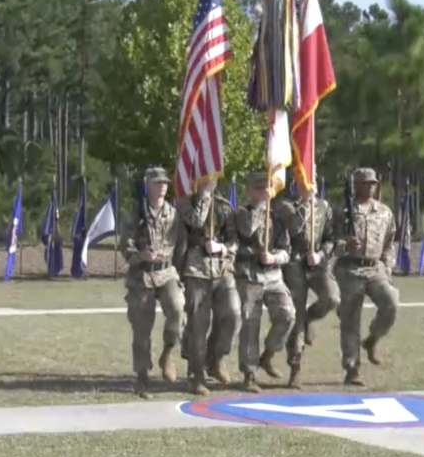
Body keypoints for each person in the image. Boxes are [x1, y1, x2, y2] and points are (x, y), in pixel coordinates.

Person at [119, 167, 187, 399]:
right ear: (147, 184)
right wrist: (140, 256)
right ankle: (142, 378)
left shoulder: (174, 214)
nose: (162, 187)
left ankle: (168, 352)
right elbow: (125, 246)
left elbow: (181, 246)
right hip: (142, 274)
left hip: (167, 272)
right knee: (141, 328)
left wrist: (179, 272)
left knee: (177, 309)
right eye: (157, 183)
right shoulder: (135, 213)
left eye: (165, 183)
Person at [176, 176, 241, 396]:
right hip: (196, 270)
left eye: (212, 179)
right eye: (205, 178)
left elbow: (234, 240)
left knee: (232, 314)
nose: (209, 181)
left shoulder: (224, 206)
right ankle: (196, 374)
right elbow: (195, 222)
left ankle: (216, 358)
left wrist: (222, 248)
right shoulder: (185, 204)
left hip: (222, 269)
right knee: (198, 325)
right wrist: (203, 197)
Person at [334, 167, 398, 386]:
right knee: (350, 320)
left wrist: (387, 267)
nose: (371, 186)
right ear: (356, 185)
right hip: (349, 269)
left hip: (375, 268)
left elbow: (389, 243)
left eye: (373, 183)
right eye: (366, 183)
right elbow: (330, 242)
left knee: (391, 302)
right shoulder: (342, 211)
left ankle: (373, 339)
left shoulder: (384, 212)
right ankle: (352, 368)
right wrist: (345, 246)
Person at [233, 172, 296, 393]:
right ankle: (249, 374)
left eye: (266, 188)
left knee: (287, 315)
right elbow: (248, 229)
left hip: (273, 275)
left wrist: (275, 258)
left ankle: (268, 355)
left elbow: (286, 250)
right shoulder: (241, 213)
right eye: (258, 188)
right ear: (249, 191)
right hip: (249, 275)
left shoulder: (277, 218)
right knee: (251, 324)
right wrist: (261, 206)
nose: (263, 192)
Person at [276, 179, 340, 389]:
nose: (310, 184)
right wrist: (305, 203)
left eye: (312, 180)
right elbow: (294, 229)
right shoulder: (286, 205)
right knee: (297, 316)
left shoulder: (324, 207)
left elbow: (330, 238)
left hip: (318, 265)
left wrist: (321, 254)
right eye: (305, 180)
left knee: (332, 297)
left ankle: (310, 318)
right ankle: (295, 368)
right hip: (294, 264)